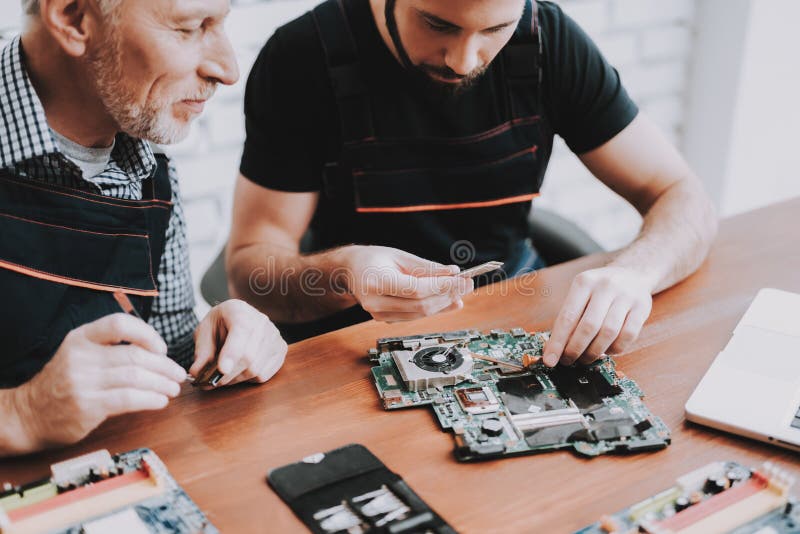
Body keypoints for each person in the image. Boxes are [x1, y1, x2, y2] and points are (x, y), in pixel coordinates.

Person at [227, 0, 717, 359]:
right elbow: (251, 271)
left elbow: (682, 196)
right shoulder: (300, 59)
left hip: (517, 328)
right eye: (436, 23)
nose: (464, 61)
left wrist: (637, 273)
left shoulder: (549, 40)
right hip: (356, 343)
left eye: (496, 29)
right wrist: (346, 273)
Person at [0, 0, 287, 457]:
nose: (228, 70)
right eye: (191, 27)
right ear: (74, 19)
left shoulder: (152, 175)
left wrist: (218, 347)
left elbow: (169, 352)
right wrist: (20, 413)